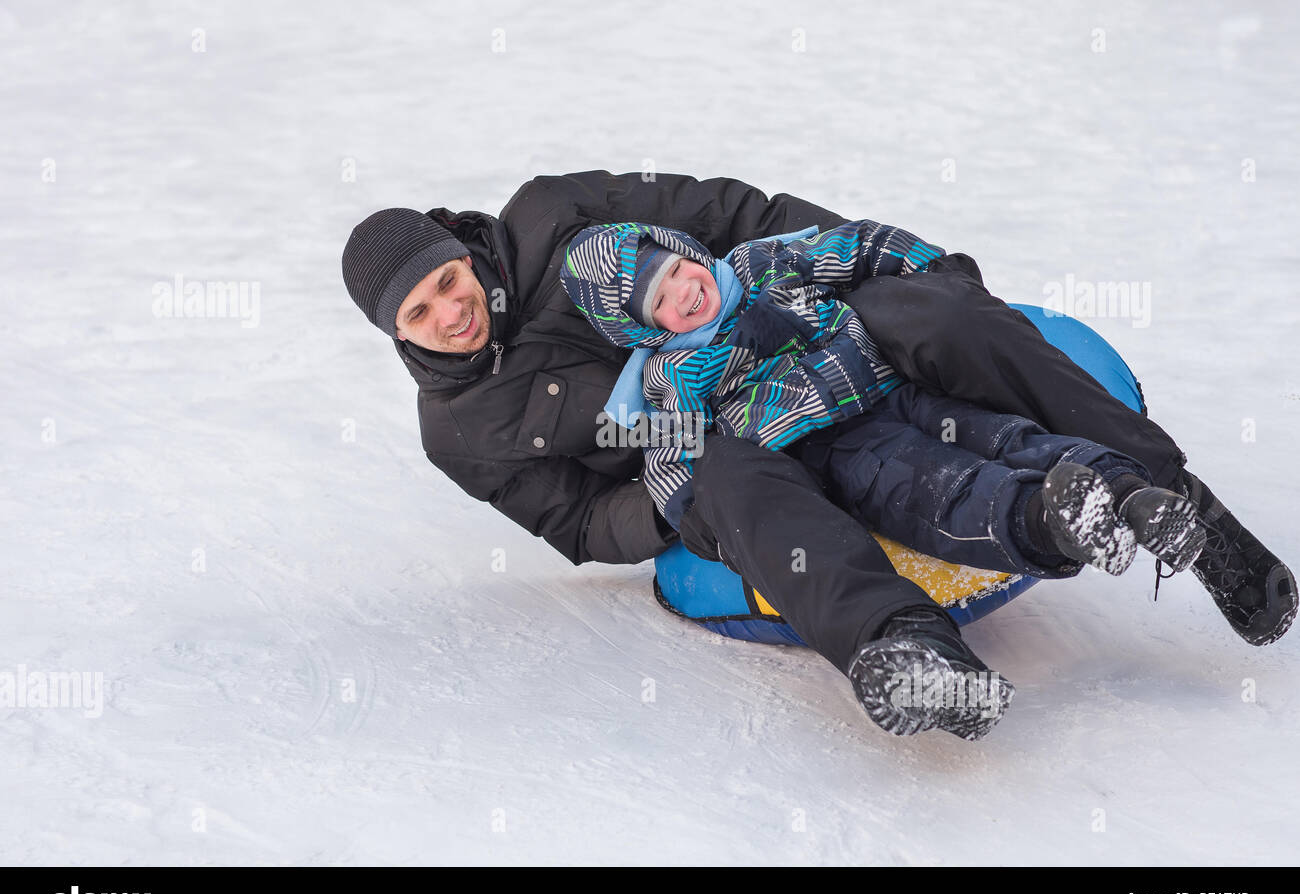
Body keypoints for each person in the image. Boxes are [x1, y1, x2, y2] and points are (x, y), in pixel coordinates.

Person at [340, 170, 1295, 741]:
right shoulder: (456, 429)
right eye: (419, 314)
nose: (449, 314)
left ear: (460, 252)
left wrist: (873, 265)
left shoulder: (552, 215)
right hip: (712, 439)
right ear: (395, 333)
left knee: (939, 313)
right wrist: (670, 487)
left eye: (446, 282)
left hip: (781, 321)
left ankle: (1182, 508)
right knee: (728, 475)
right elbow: (575, 523)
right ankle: (903, 652)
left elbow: (734, 214)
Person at [558, 219, 1211, 737]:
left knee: (1006, 436)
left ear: (687, 250)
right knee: (940, 489)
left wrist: (940, 276)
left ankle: (1128, 500)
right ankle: (1025, 560)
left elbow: (855, 246)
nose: (683, 292)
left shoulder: (763, 265)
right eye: (660, 302)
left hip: (895, 383)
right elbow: (672, 467)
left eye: (675, 270)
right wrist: (704, 518)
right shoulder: (671, 378)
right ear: (643, 330)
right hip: (839, 449)